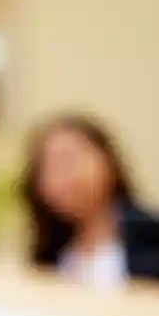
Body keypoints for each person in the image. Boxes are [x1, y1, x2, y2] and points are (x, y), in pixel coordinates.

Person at [21, 113, 141, 287]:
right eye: (46, 168)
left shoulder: (149, 248)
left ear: (108, 162)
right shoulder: (53, 256)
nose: (58, 179)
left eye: (68, 160)